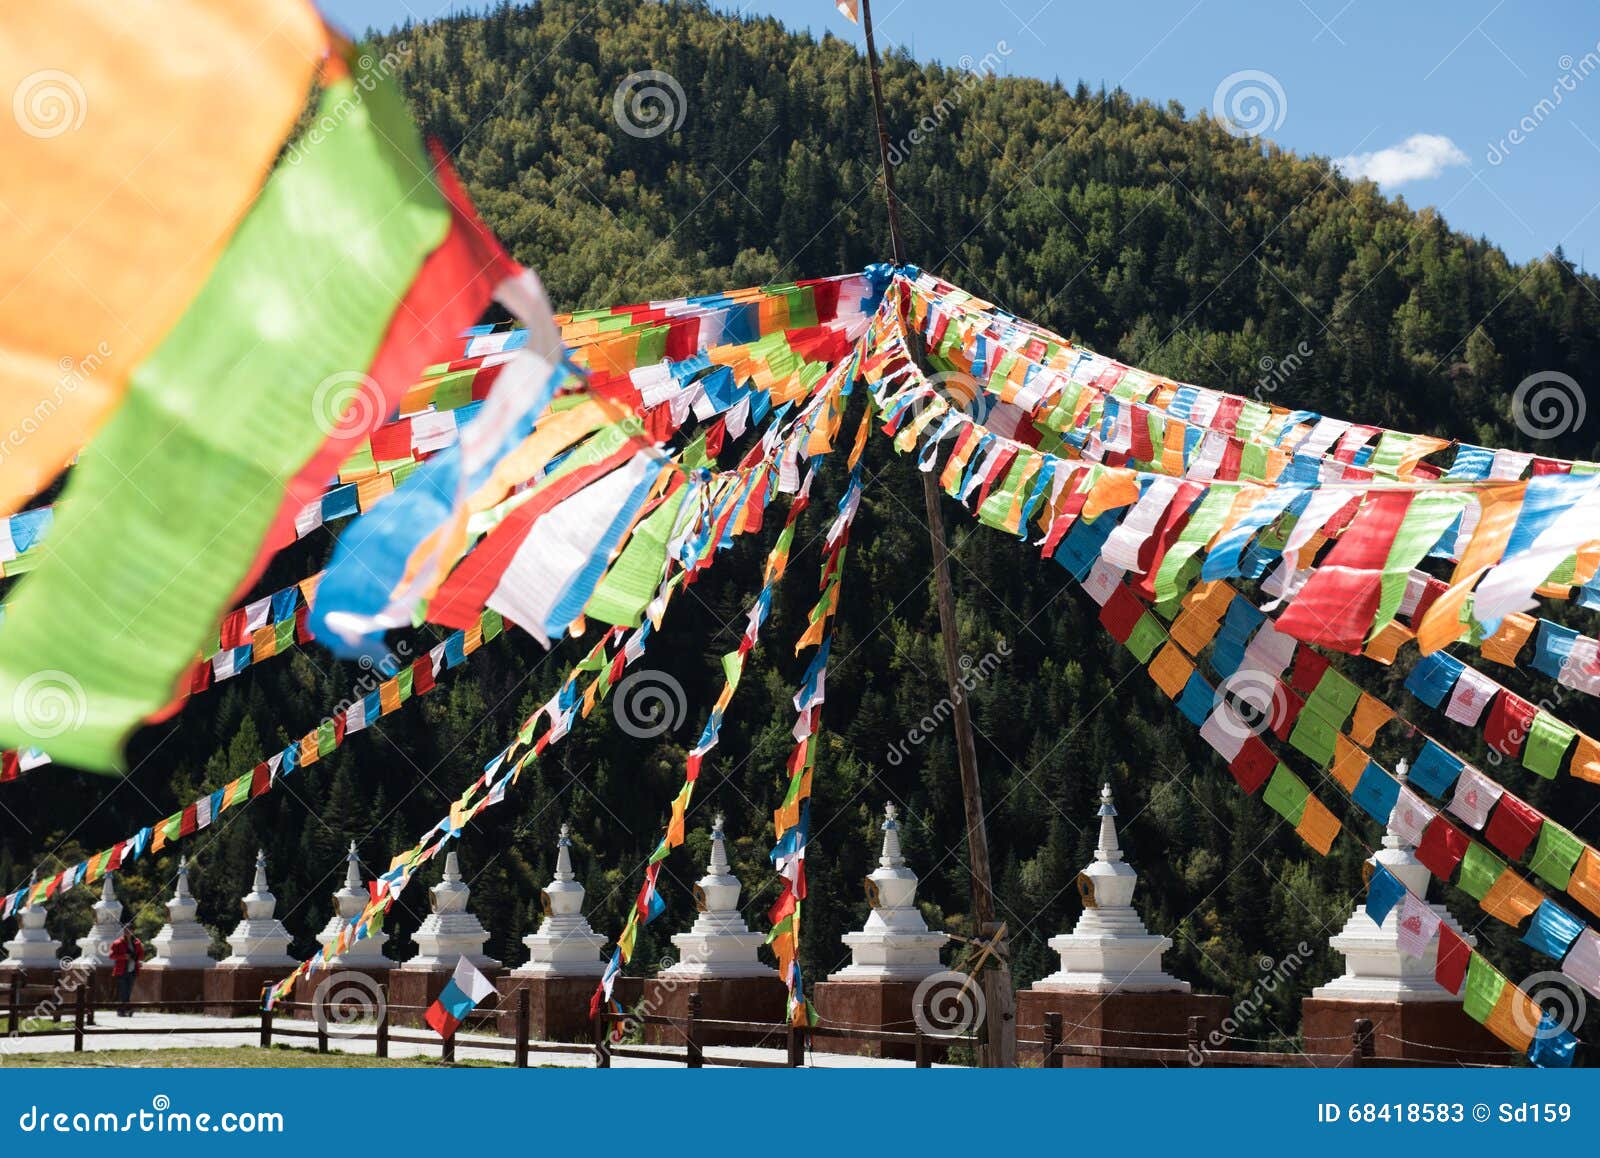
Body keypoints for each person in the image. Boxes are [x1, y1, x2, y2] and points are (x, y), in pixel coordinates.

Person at [108, 922, 143, 1017]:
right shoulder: (117, 943)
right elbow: (111, 955)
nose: (126, 932)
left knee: (128, 991)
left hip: (133, 970)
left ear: (133, 931)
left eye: (129, 930)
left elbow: (141, 954)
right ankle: (125, 1009)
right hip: (121, 970)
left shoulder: (137, 942)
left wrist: (138, 959)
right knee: (123, 991)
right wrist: (123, 956)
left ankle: (122, 1009)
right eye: (125, 930)